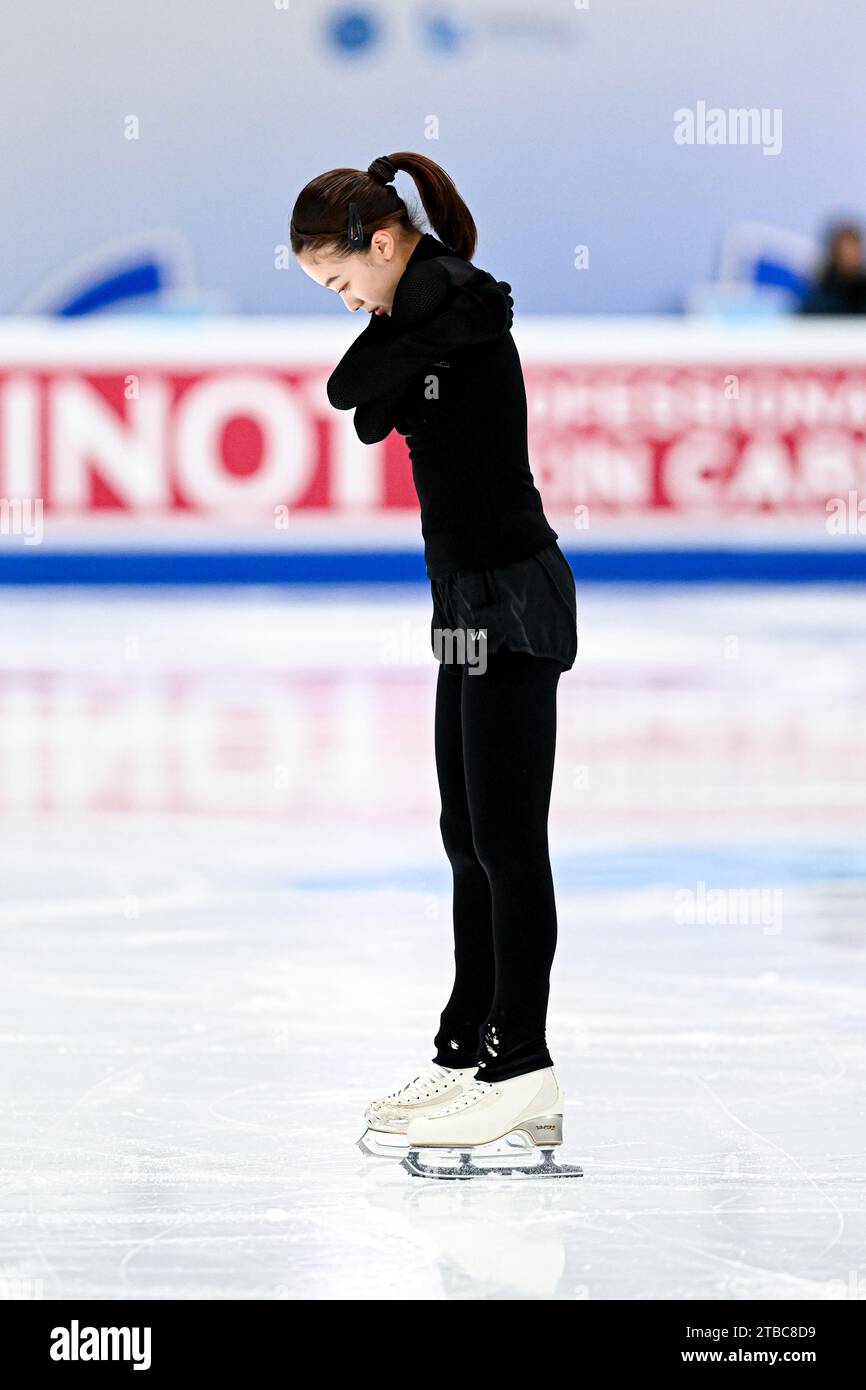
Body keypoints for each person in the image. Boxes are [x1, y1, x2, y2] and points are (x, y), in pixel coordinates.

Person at [290, 152, 581, 1176]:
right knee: (465, 832)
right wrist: (406, 340)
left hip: (512, 595)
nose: (345, 303)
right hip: (459, 606)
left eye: (340, 282)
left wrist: (414, 338)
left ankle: (524, 1067)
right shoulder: (431, 314)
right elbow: (362, 400)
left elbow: (351, 388)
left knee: (507, 839)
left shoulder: (452, 299)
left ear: (379, 243)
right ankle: (468, 1049)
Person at [800, 220, 866, 315]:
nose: (851, 258)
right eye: (845, 253)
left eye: (854, 252)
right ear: (835, 253)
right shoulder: (819, 296)